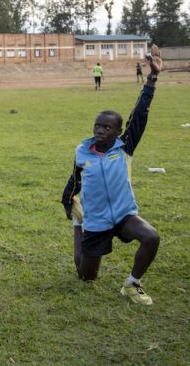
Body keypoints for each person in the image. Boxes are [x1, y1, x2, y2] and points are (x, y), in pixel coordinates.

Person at [62, 45, 163, 305]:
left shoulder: (125, 146)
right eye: (97, 125)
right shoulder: (83, 152)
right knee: (86, 277)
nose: (100, 130)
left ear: (118, 132)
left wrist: (152, 78)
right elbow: (75, 179)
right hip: (95, 219)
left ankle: (132, 284)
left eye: (107, 127)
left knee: (151, 237)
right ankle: (78, 227)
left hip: (123, 214)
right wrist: (69, 205)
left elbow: (139, 115)